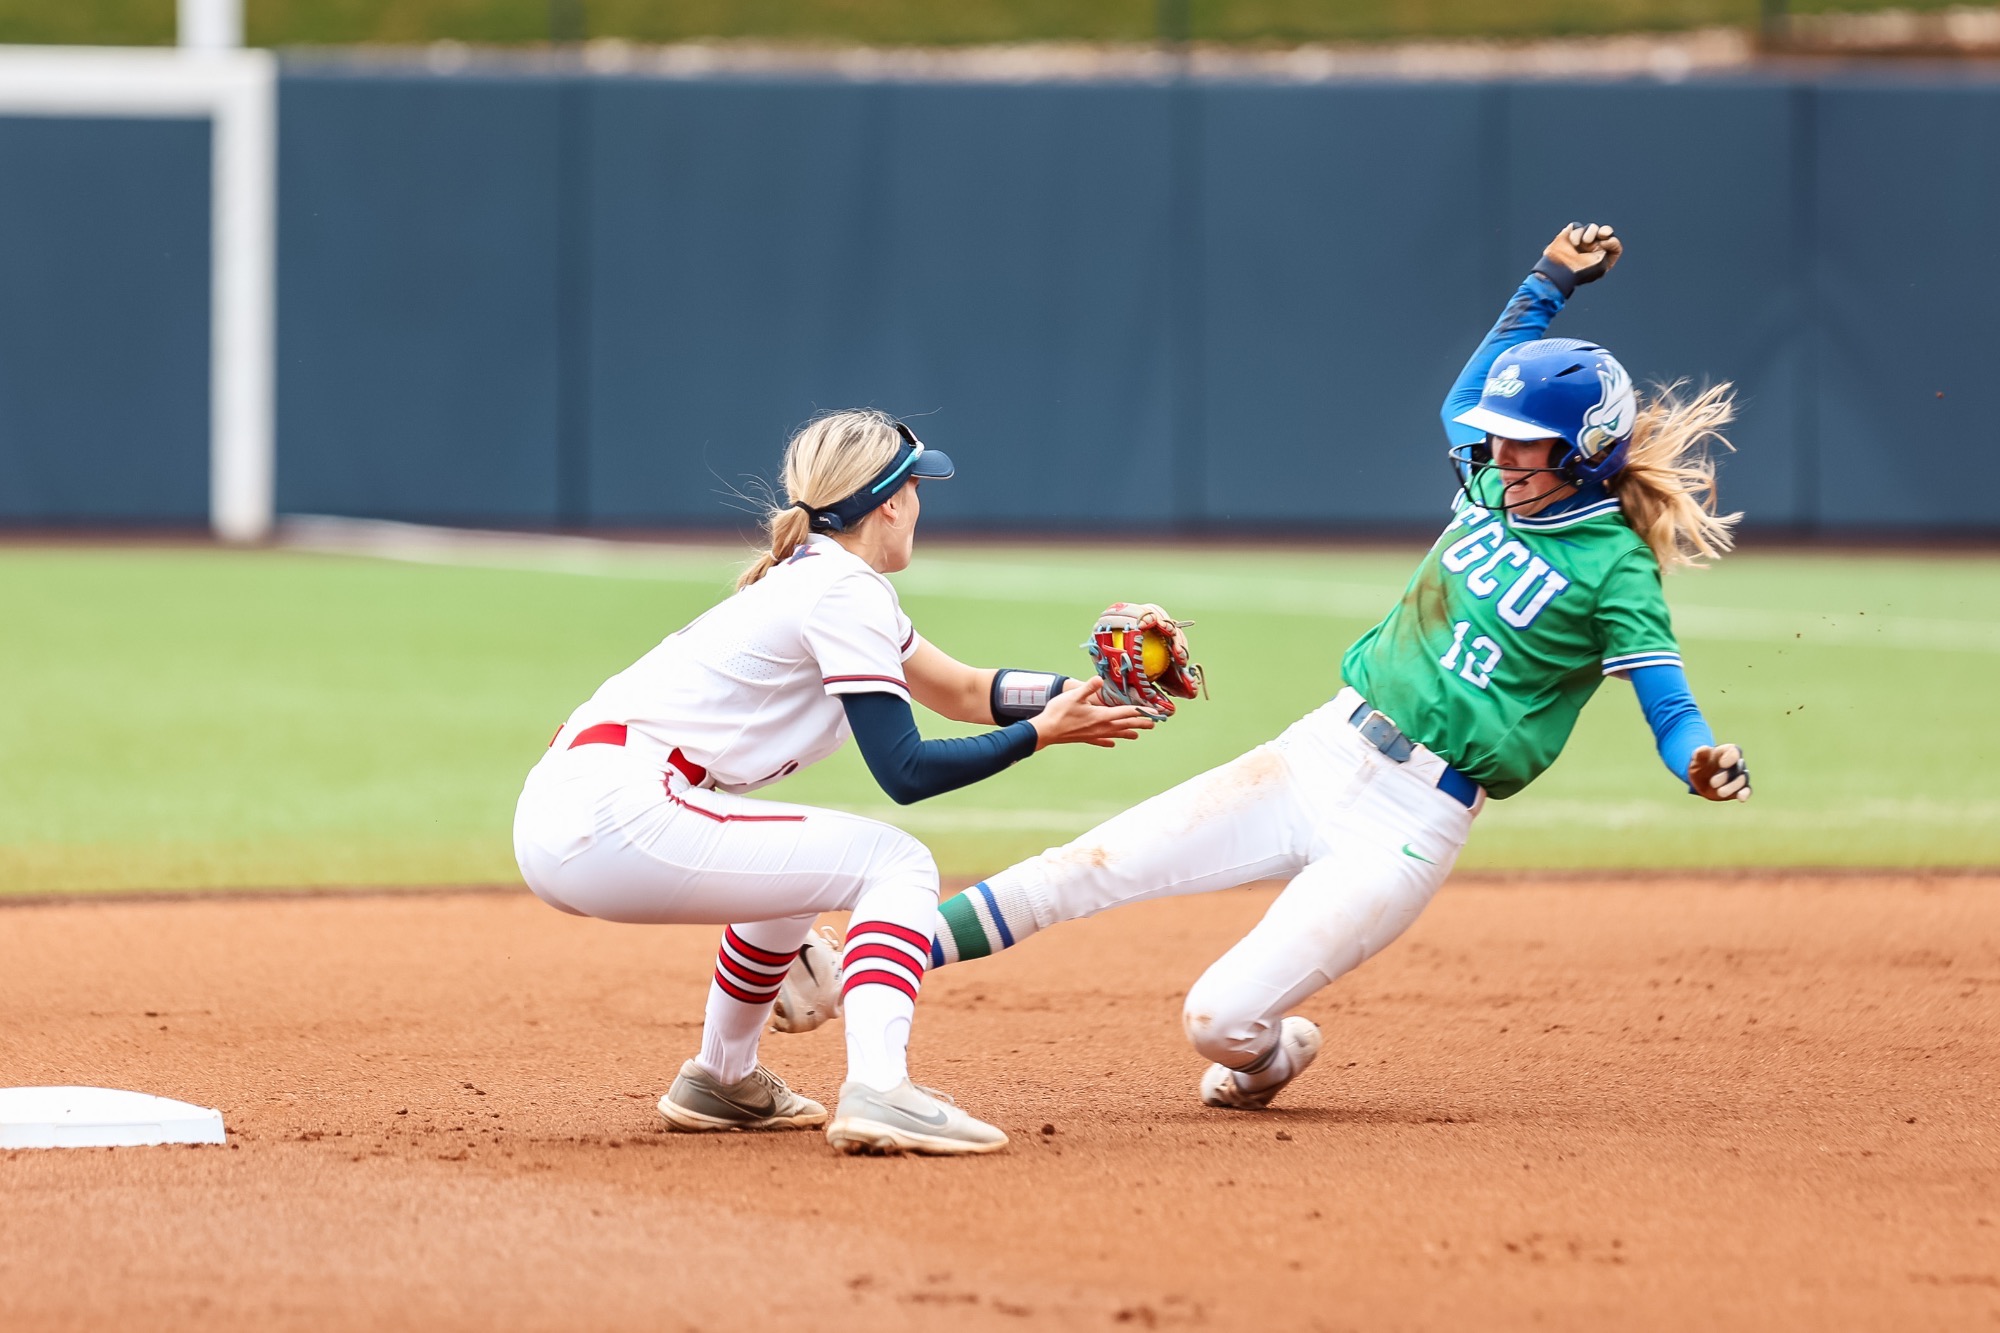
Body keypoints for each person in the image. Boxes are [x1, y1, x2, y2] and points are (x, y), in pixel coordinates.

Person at [776, 225, 1753, 1112]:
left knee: (1218, 1023)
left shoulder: (1613, 568)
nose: (1494, 451)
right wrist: (1545, 282)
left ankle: (1274, 1052)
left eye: (1519, 440)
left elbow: (1666, 705)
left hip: (1411, 824)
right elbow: (1477, 385)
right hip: (1319, 750)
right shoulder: (1495, 483)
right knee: (1072, 871)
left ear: (1582, 451)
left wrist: (1699, 759)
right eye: (1495, 438)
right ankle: (856, 968)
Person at [512, 409, 1150, 1154]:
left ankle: (722, 1078)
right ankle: (881, 1089)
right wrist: (1039, 736)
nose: (920, 502)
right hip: (620, 811)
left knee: (802, 873)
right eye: (917, 487)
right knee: (897, 860)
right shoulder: (844, 592)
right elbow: (905, 773)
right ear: (890, 502)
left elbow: (963, 689)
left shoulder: (823, 579)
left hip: (581, 807)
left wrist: (1084, 690)